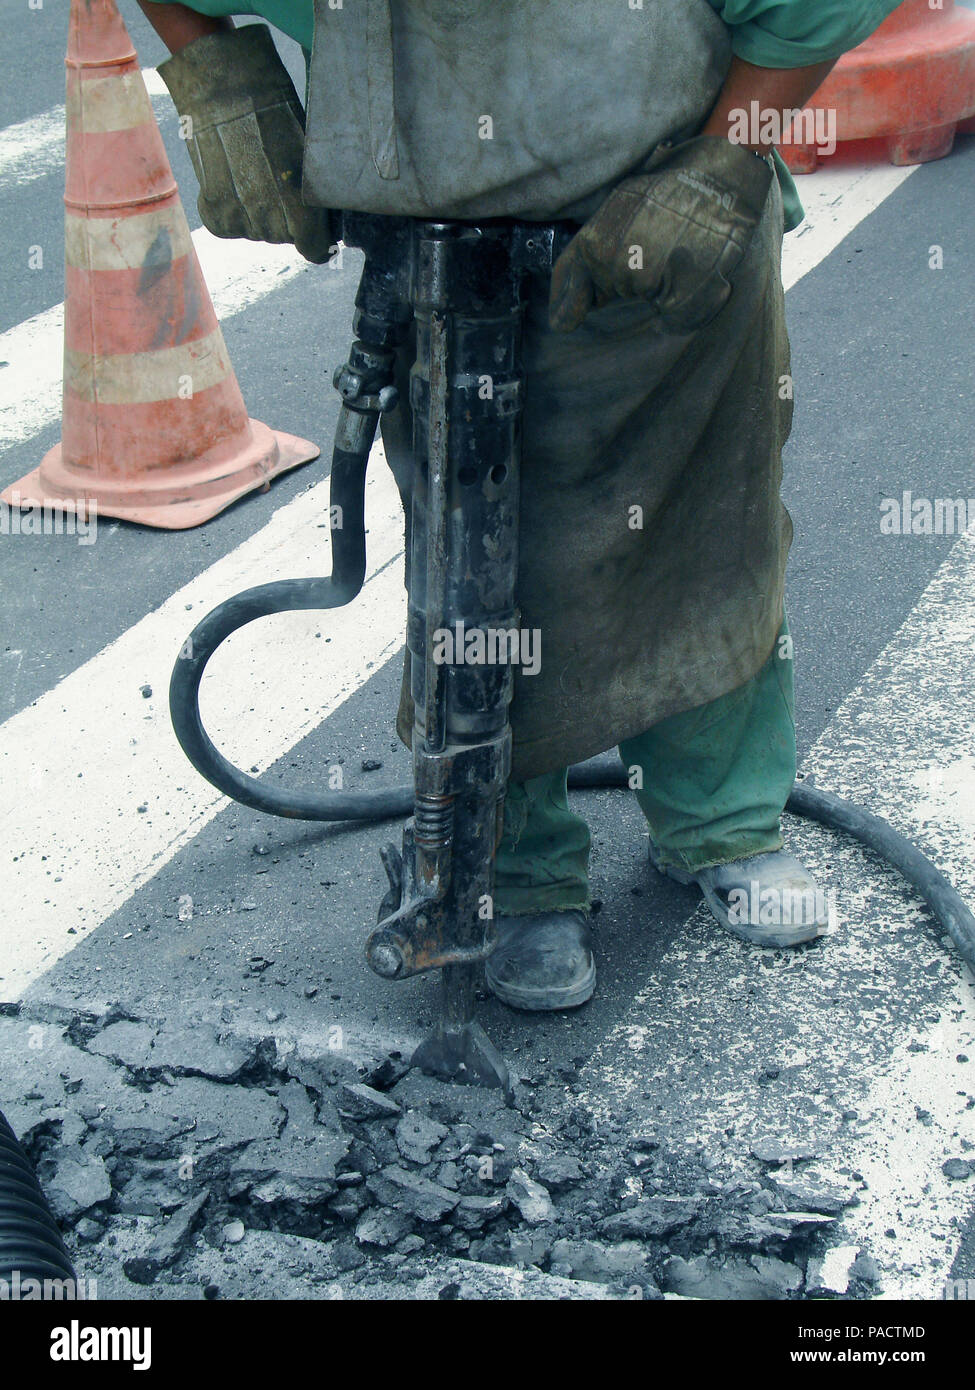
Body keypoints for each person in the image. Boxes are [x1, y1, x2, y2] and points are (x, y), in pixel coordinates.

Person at [138, 0, 902, 1010]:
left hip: (667, 234)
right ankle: (513, 872)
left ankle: (722, 824)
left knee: (703, 532)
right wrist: (217, 76)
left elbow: (812, 14)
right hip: (436, 261)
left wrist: (725, 162)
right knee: (483, 578)